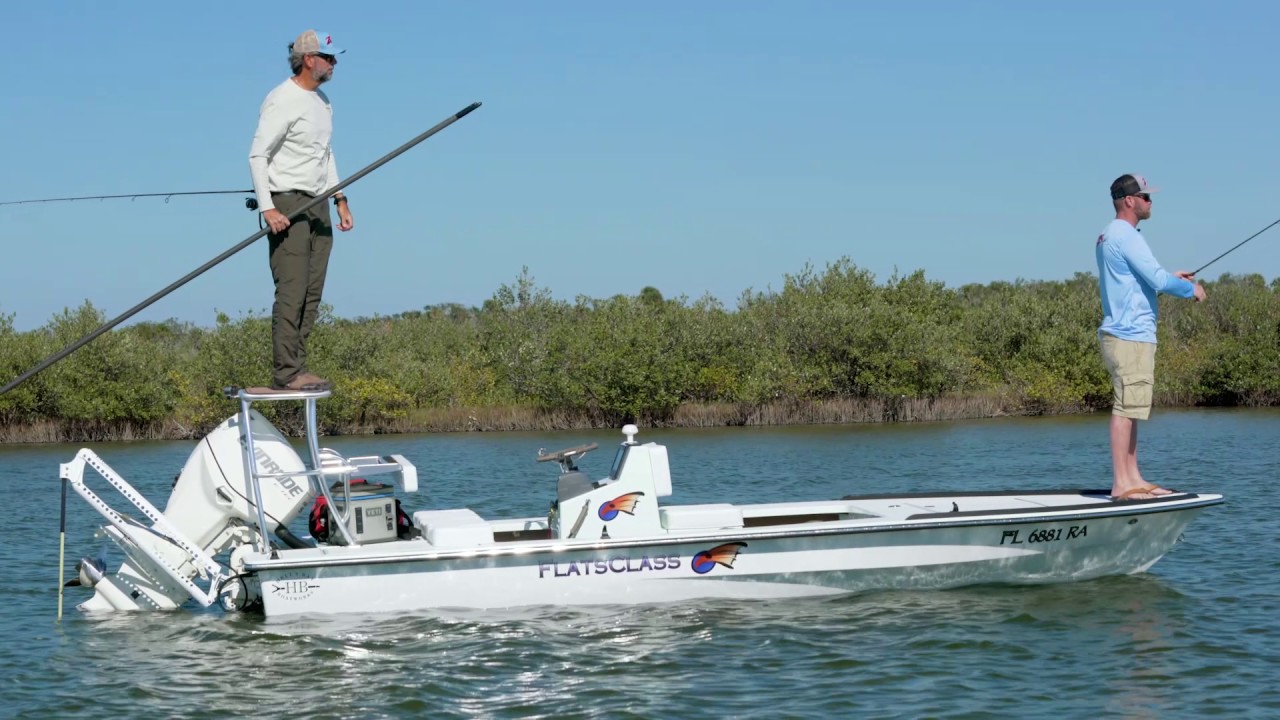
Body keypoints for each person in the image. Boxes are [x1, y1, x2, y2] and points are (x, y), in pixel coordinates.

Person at [248, 29, 355, 391]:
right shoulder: (281, 99)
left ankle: (298, 367)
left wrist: (340, 199)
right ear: (309, 59)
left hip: (318, 202)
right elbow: (258, 155)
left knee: (312, 292)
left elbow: (325, 155)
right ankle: (285, 372)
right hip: (287, 202)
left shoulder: (323, 102)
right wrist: (268, 208)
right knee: (292, 290)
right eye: (328, 57)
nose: (334, 63)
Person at [1095, 174, 1205, 500]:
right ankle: (1122, 483)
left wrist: (1170, 277)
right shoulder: (1126, 236)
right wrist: (1190, 289)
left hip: (1126, 333)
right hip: (1130, 334)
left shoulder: (1109, 234)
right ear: (1129, 201)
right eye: (1145, 197)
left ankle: (1133, 477)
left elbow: (1138, 279)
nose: (1150, 201)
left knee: (1132, 408)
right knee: (1125, 408)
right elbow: (1157, 280)